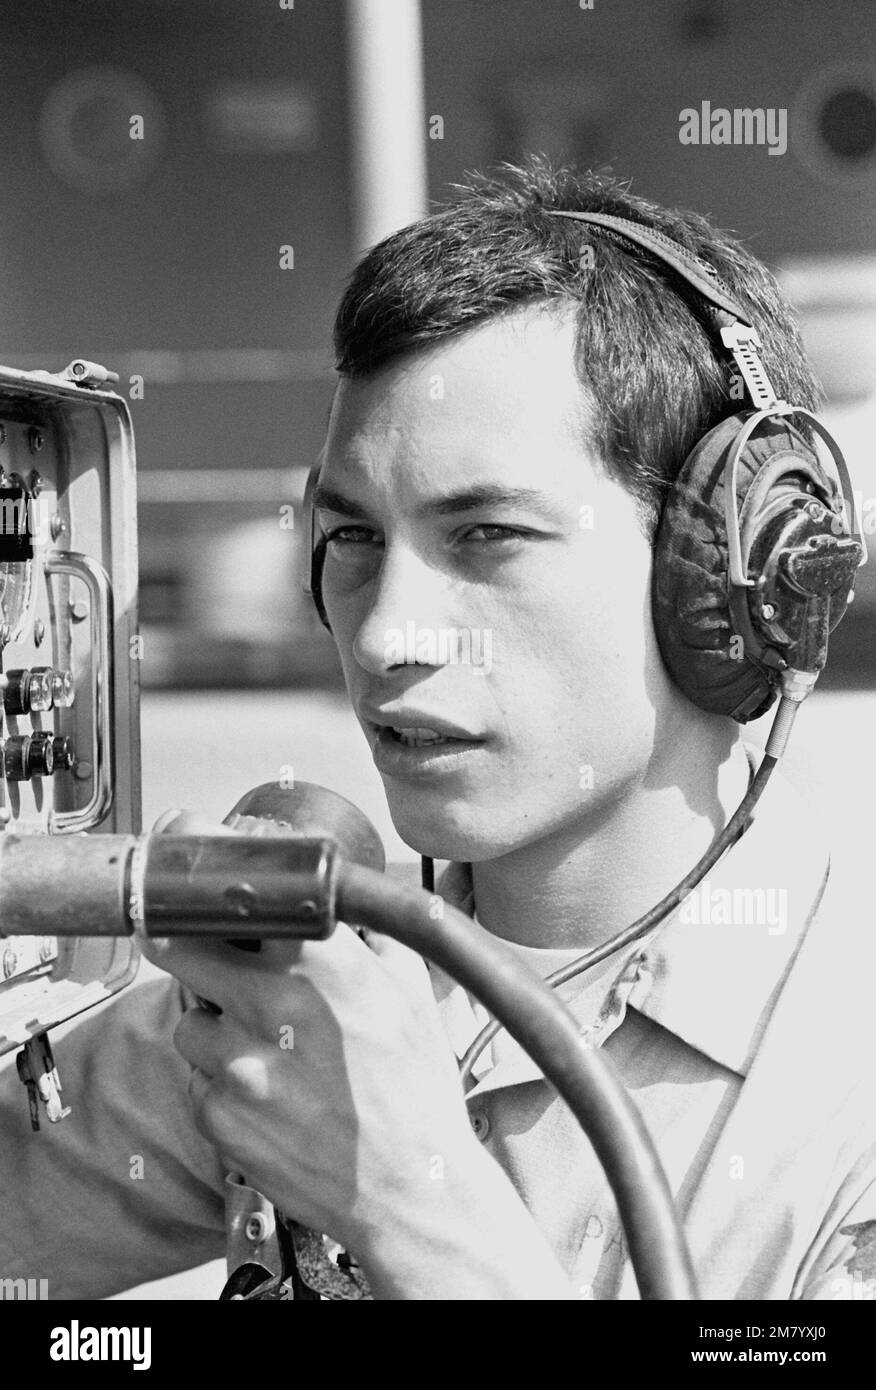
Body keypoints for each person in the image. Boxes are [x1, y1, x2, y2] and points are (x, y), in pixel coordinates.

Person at [1, 160, 875, 1301]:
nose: (386, 636)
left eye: (487, 537)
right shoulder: (321, 1000)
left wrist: (408, 1192)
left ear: (731, 571)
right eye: (354, 539)